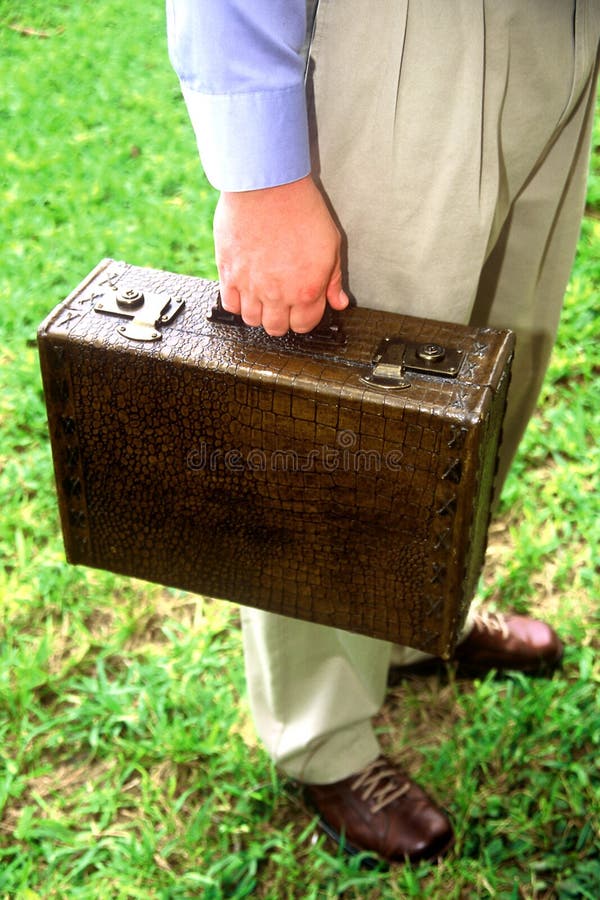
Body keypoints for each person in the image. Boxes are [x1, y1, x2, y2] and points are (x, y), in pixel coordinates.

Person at [167, 0, 600, 864]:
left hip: (562, 31)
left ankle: (412, 618)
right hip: (402, 35)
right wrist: (264, 178)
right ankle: (322, 735)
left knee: (485, 375)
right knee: (343, 433)